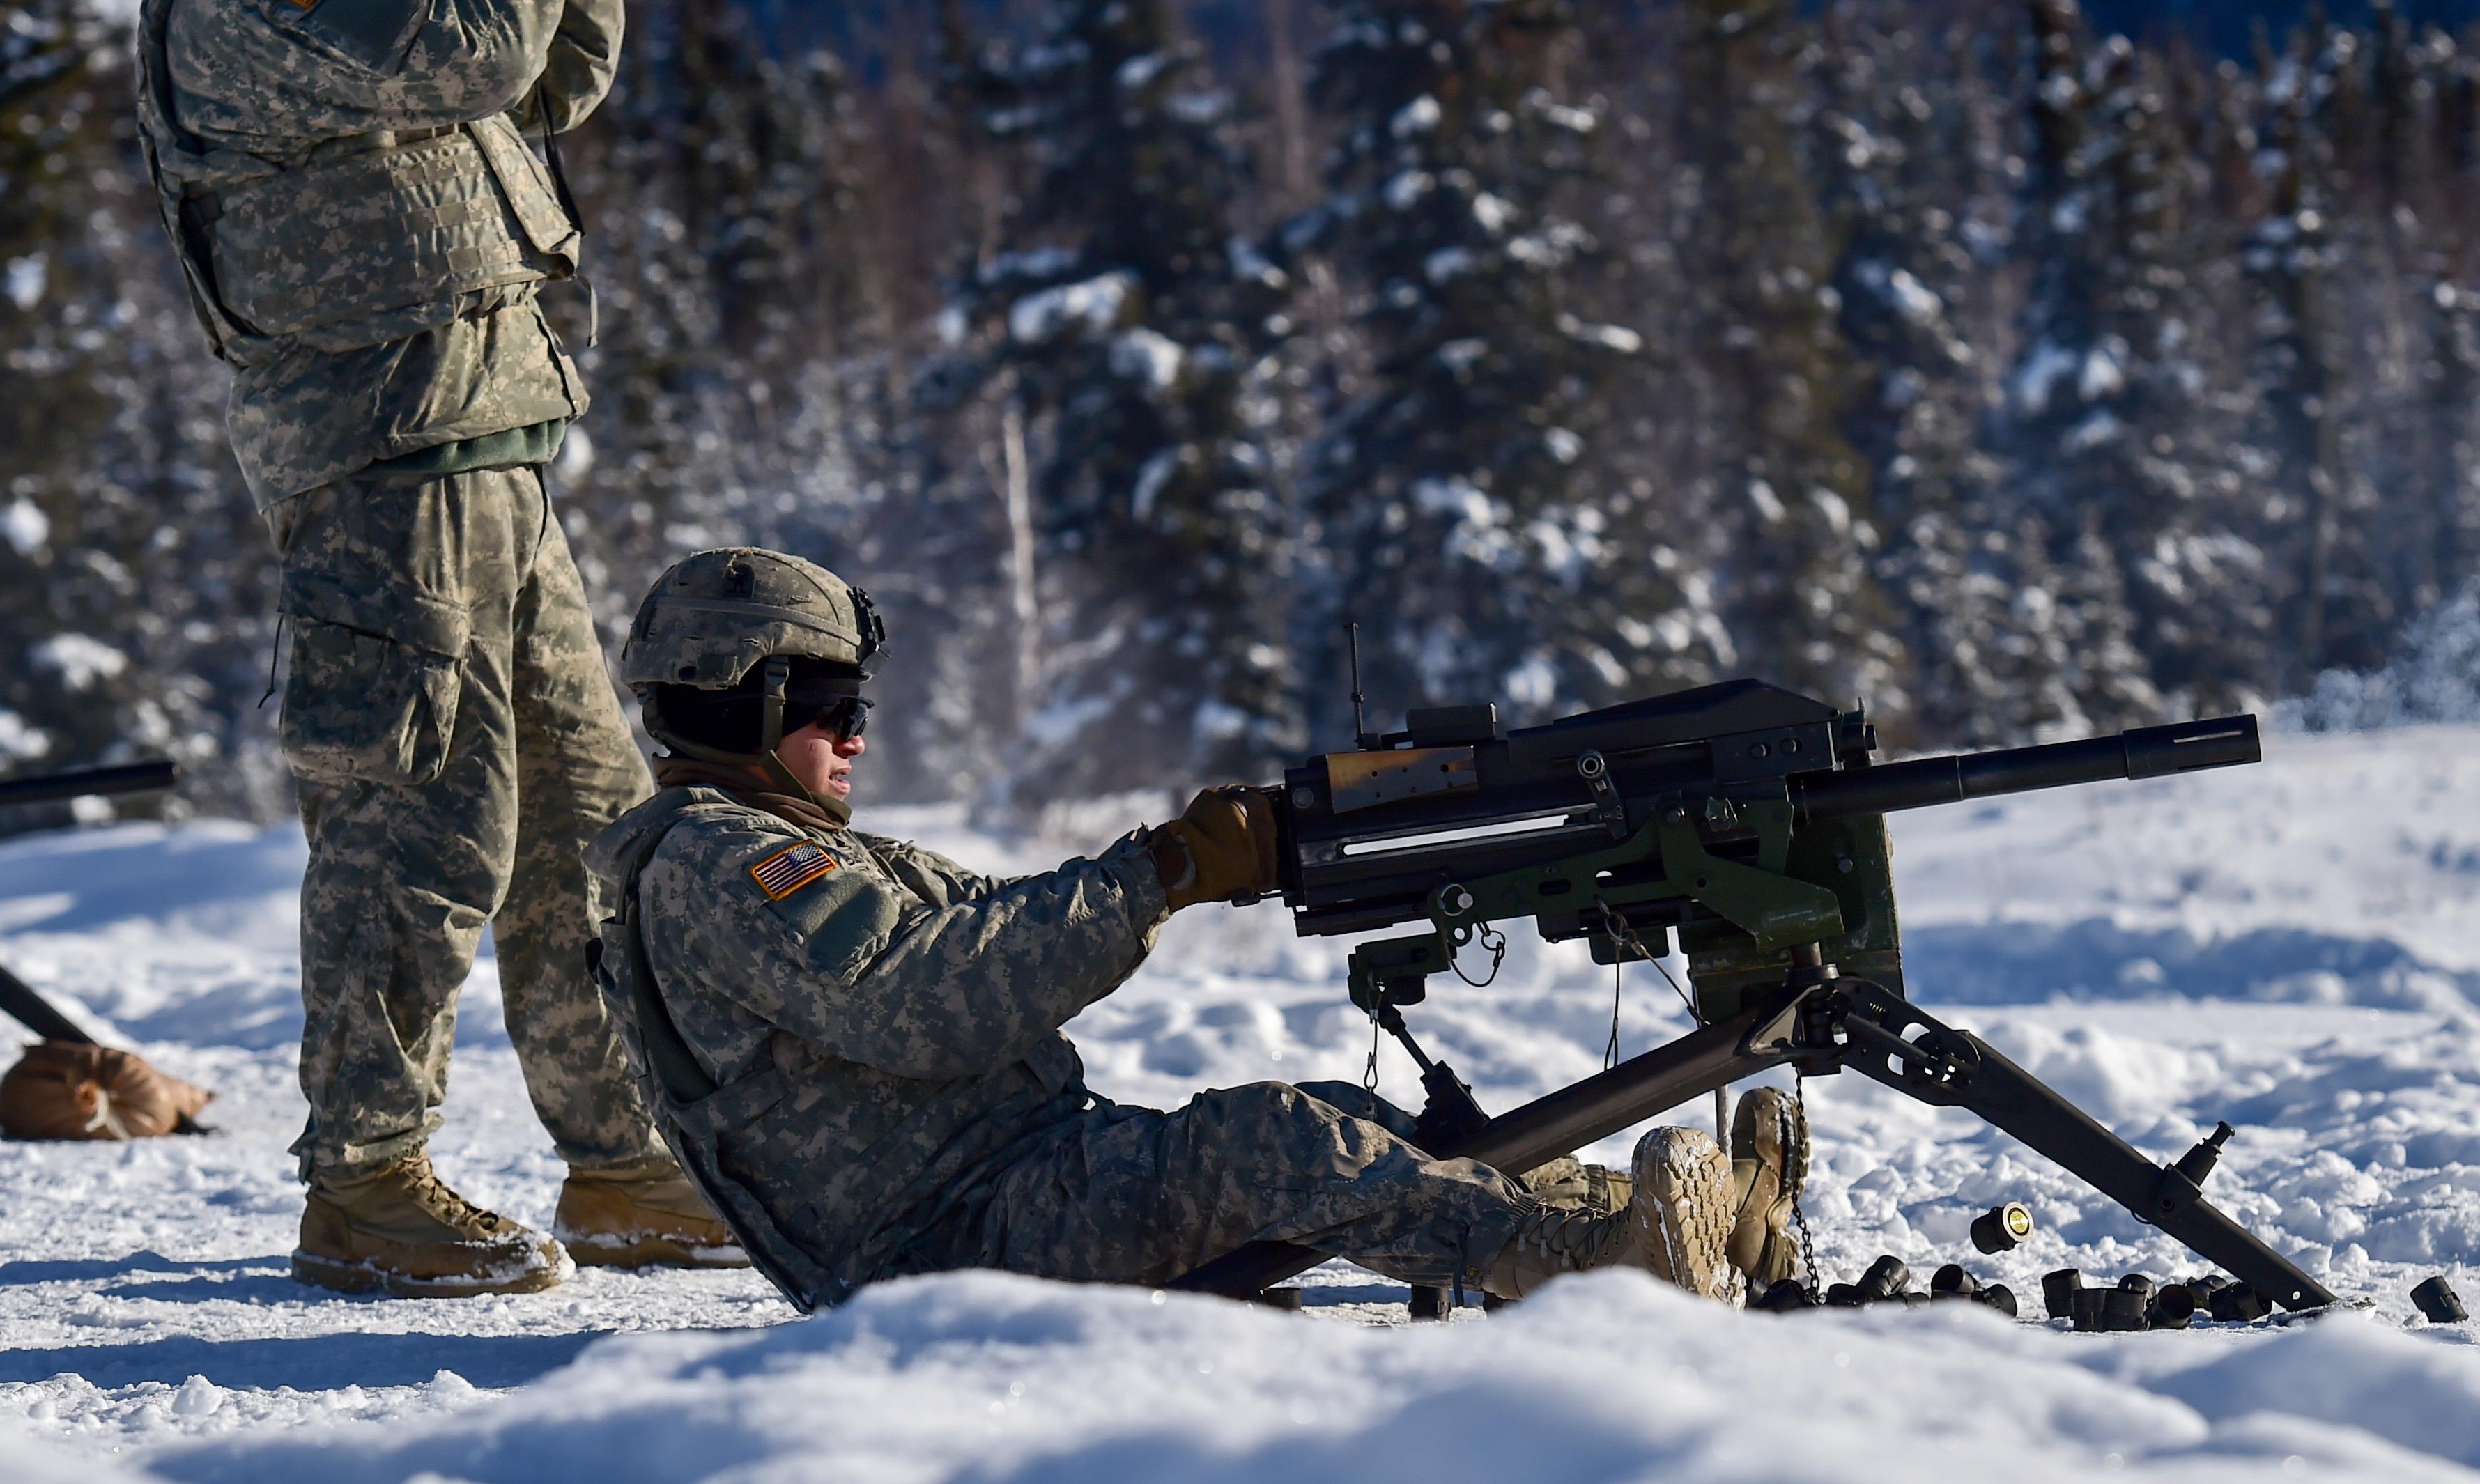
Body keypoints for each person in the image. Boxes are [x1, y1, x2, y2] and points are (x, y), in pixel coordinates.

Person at [134, 0, 731, 1294]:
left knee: (582, 825)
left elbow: (551, 69)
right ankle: (368, 1182)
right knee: (420, 822)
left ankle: (622, 1164)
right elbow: (474, 47)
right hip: (382, 477)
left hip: (485, 455)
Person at [587, 548, 1816, 1312]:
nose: (856, 733)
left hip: (1004, 1184)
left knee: (1347, 1117)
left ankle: (1679, 1225)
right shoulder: (724, 863)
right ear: (742, 700)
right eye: (828, 705)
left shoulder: (777, 845)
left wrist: (1221, 854)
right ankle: (1598, 1267)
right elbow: (936, 992)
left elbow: (991, 926)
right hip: (943, 1246)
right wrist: (1165, 869)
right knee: (1266, 1141)